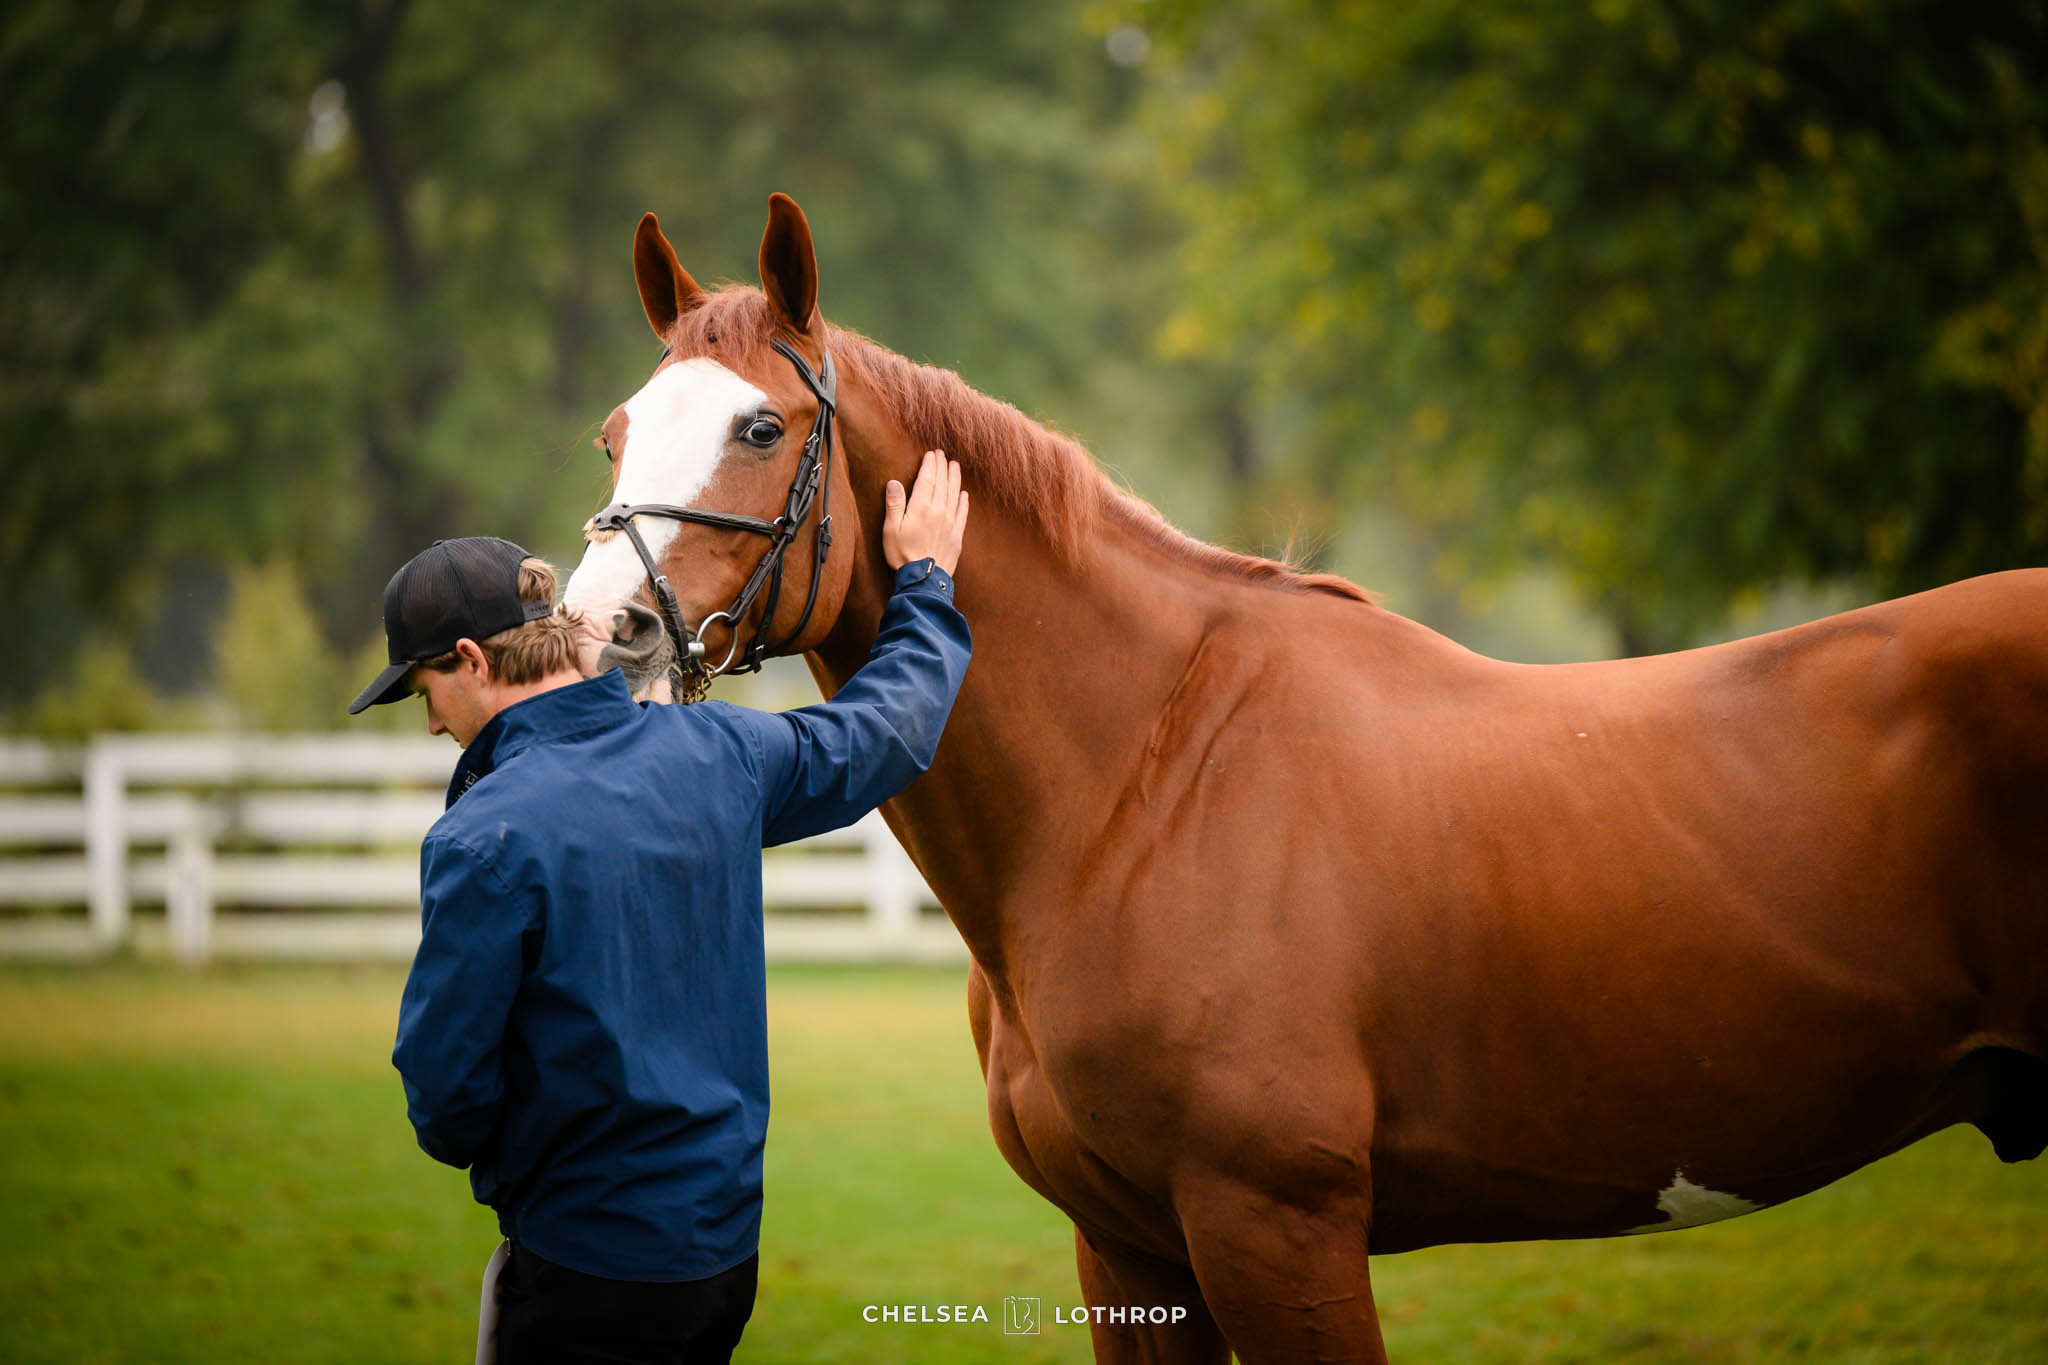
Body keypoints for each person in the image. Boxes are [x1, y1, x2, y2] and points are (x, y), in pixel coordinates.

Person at [346, 452, 971, 1364]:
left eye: (425, 692)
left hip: (579, 1265)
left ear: (472, 660)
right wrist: (925, 582)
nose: (434, 721)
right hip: (723, 1261)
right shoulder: (721, 752)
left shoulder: (481, 838)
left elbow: (444, 1098)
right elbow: (886, 729)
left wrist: (527, 1158)